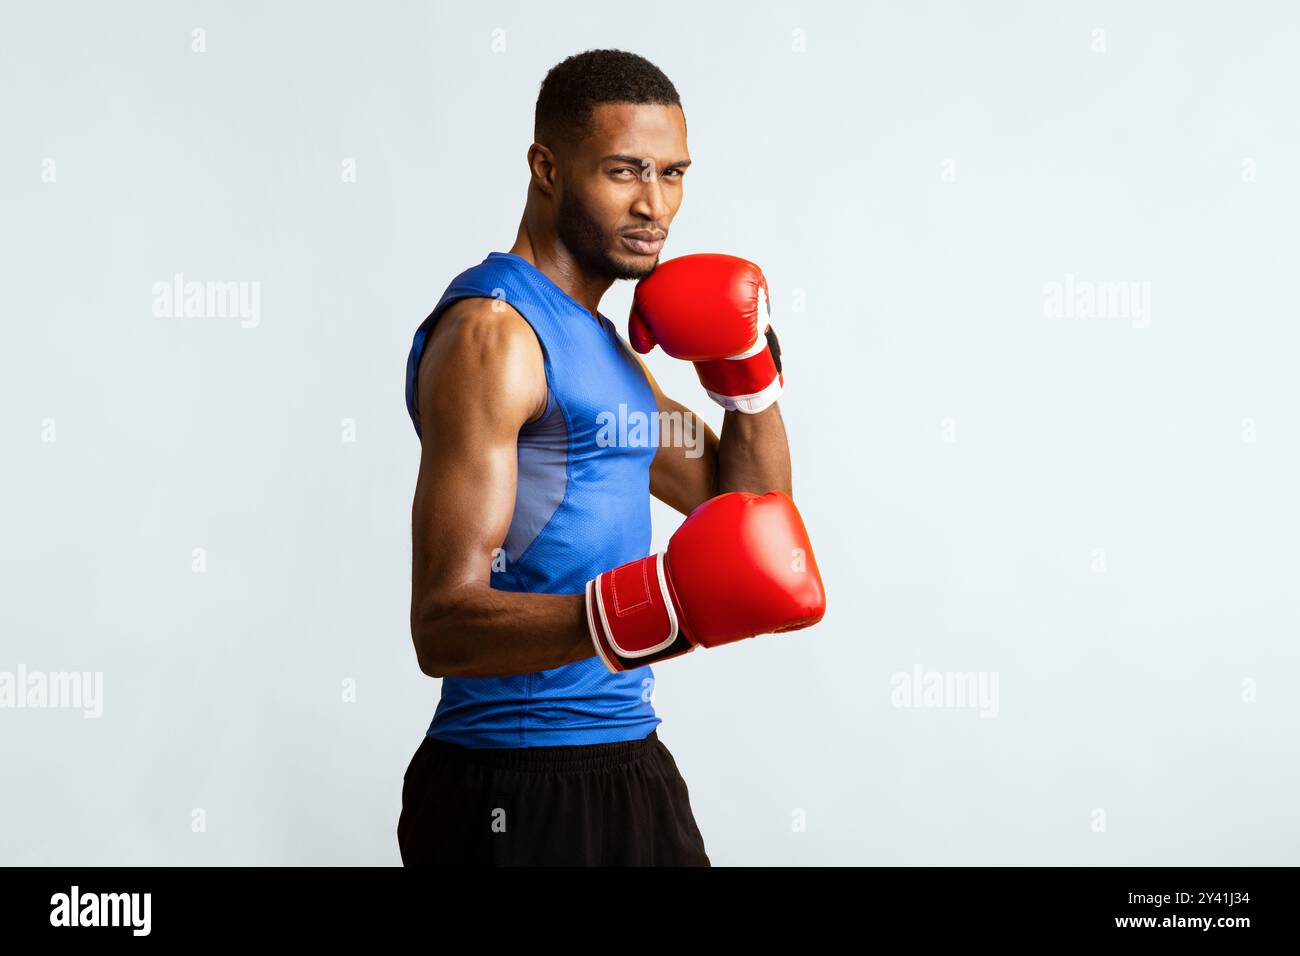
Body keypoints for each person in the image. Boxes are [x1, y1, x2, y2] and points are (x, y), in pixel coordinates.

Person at [397, 49, 824, 867]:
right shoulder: (495, 336)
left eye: (673, 173)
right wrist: (650, 608)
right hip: (511, 783)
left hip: (630, 762)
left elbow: (758, 517)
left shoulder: (606, 350)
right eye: (625, 171)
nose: (655, 204)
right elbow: (442, 626)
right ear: (547, 168)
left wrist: (750, 383)